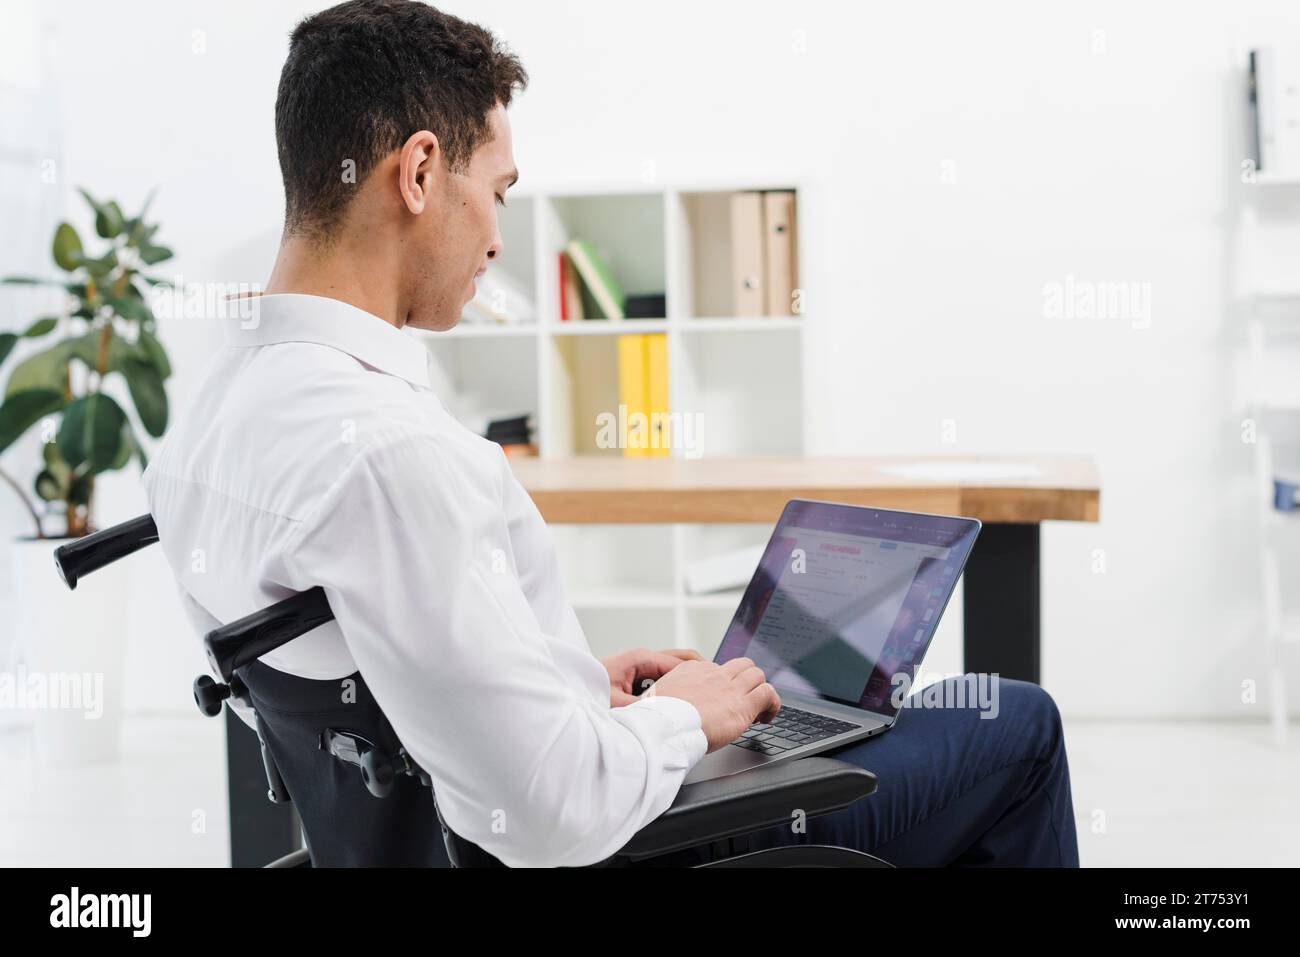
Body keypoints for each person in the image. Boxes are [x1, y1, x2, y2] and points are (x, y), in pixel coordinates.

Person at [145, 0, 1078, 867]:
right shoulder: (394, 457)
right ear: (422, 174)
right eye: (499, 192)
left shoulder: (206, 429)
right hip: (604, 848)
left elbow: (385, 686)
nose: (499, 238)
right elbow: (550, 809)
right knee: (1017, 722)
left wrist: (575, 683)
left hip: (462, 824)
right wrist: (676, 716)